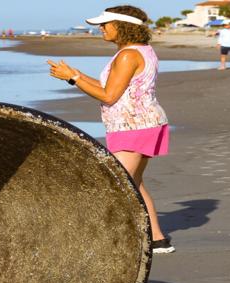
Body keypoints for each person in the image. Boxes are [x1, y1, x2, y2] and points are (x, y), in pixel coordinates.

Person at [47, 6, 174, 254]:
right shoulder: (139, 51)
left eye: (106, 24)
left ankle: (106, 241)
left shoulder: (127, 55)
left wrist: (73, 79)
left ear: (122, 26)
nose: (101, 28)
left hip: (133, 125)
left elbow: (109, 95)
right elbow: (111, 87)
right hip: (141, 123)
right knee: (133, 183)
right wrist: (73, 74)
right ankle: (157, 239)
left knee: (114, 184)